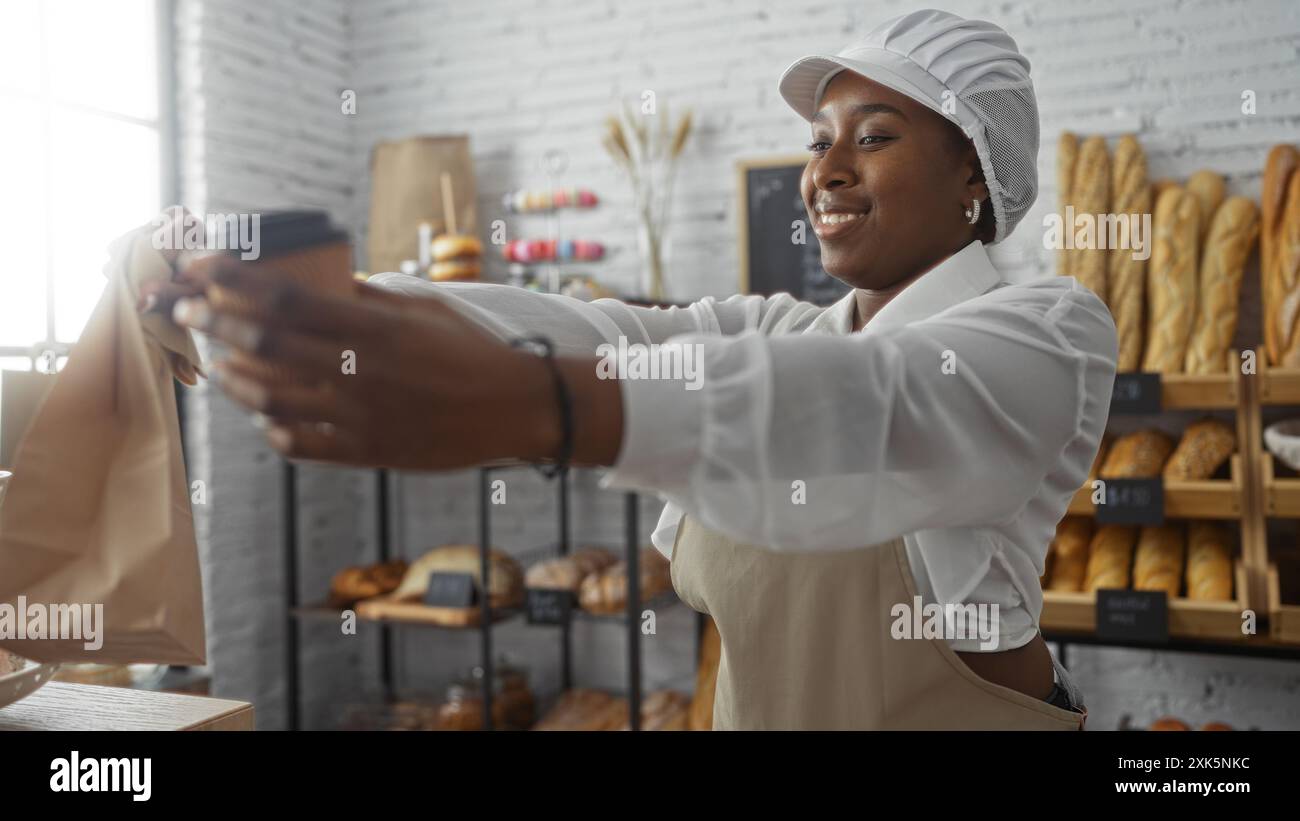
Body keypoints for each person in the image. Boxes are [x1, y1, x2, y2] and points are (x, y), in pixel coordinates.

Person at [156, 9, 1117, 729]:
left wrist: (534, 407)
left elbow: (878, 407)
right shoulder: (783, 329)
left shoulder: (1050, 333)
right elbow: (594, 329)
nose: (823, 170)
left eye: (873, 137)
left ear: (975, 179)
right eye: (818, 141)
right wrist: (305, 294)